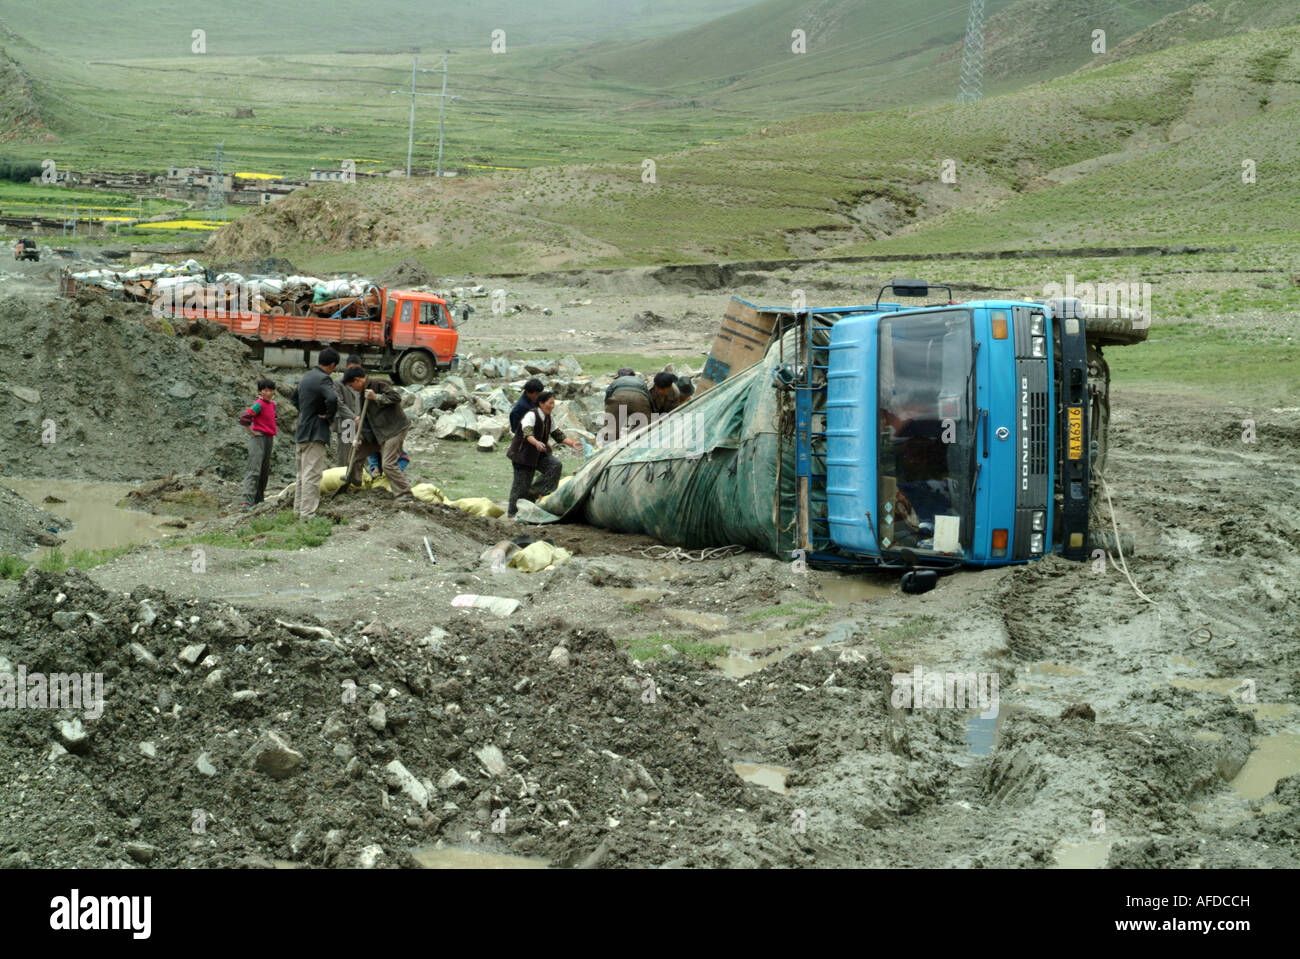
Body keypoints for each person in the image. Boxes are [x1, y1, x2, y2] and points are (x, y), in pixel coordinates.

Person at [341, 368, 413, 502]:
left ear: (358, 380)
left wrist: (376, 397)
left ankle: (405, 494)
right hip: (377, 432)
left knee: (388, 464)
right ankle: (354, 484)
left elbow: (396, 398)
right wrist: (360, 437)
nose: (353, 389)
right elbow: (365, 418)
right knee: (355, 453)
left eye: (352, 386)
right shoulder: (361, 393)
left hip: (393, 429)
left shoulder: (378, 383)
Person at [506, 390, 579, 519]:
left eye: (553, 403)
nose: (552, 406)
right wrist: (537, 443)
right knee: (520, 485)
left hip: (537, 454)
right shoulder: (531, 415)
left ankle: (539, 496)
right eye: (550, 403)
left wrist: (572, 443)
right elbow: (527, 433)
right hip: (523, 455)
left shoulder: (549, 417)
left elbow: (557, 434)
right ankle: (512, 513)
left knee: (555, 466)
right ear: (541, 403)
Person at [291, 348, 339, 519]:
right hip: (315, 432)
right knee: (312, 474)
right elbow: (333, 399)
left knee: (302, 474)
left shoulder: (306, 377)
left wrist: (305, 412)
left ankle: (298, 510)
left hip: (301, 430)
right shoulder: (324, 379)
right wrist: (328, 416)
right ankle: (308, 514)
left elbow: (293, 398)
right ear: (332, 365)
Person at [240, 378, 277, 509]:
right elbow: (244, 417)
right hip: (258, 439)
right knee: (254, 469)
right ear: (260, 392)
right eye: (266, 390)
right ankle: (247, 501)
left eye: (271, 390)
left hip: (269, 438)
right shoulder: (259, 404)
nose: (268, 393)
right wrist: (252, 431)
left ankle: (259, 500)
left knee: (264, 470)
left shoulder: (272, 405)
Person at [602, 368, 653, 442]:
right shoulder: (640, 381)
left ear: (619, 376)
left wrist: (608, 410)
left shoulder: (616, 382)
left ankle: (609, 449)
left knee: (611, 430)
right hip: (639, 400)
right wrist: (652, 412)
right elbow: (649, 397)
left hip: (618, 399)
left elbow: (608, 396)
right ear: (633, 375)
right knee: (644, 429)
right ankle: (641, 445)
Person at [334, 358, 365, 467]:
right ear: (347, 367)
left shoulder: (361, 383)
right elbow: (339, 403)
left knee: (360, 454)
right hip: (346, 423)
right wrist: (353, 417)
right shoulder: (338, 383)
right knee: (345, 455)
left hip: (360, 424)